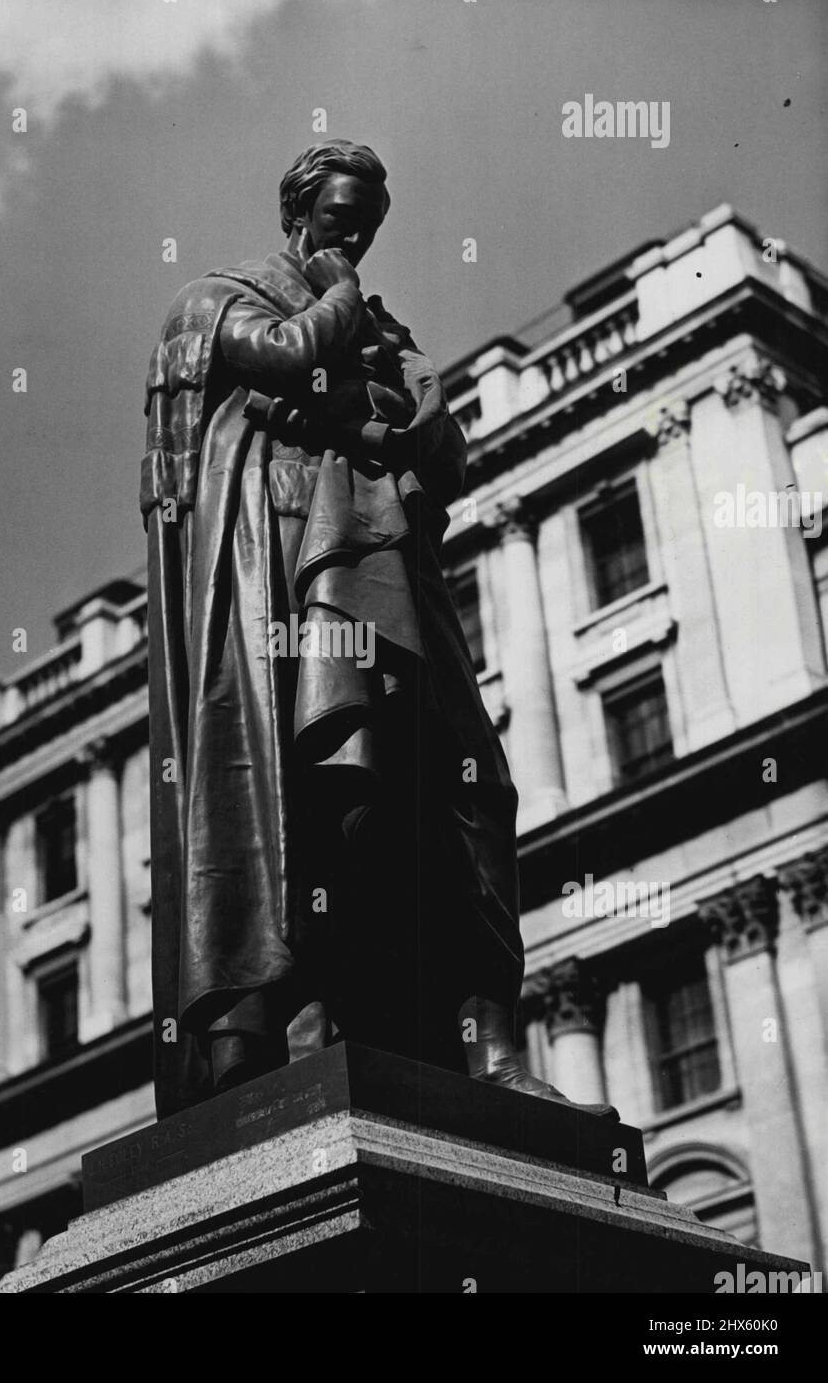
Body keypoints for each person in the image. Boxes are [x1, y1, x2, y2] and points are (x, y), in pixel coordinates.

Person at [141, 140, 616, 1120]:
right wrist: (342, 304)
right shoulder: (216, 295)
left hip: (391, 567)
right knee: (332, 791)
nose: (352, 234)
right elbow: (281, 358)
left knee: (469, 794)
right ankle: (307, 1022)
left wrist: (395, 394)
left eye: (367, 221)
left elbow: (444, 454)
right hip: (285, 576)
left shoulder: (378, 326)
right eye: (339, 215)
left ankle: (485, 1049)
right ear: (299, 210)